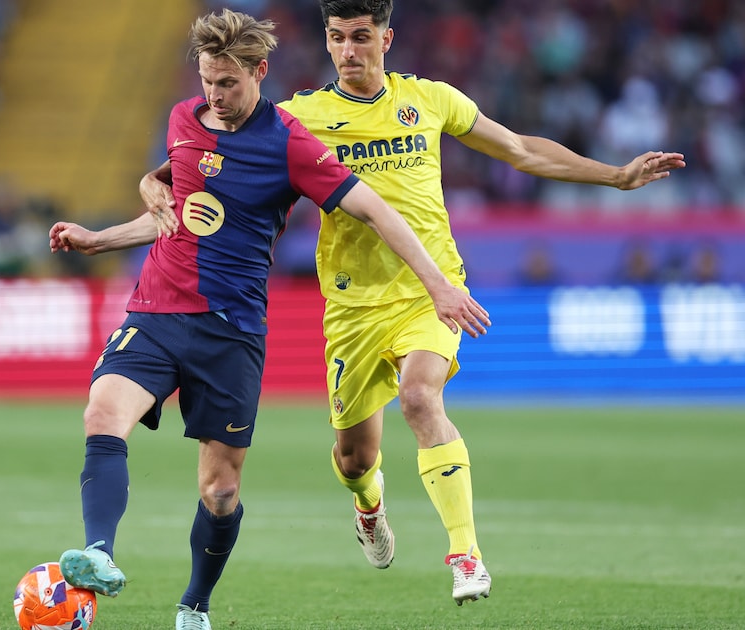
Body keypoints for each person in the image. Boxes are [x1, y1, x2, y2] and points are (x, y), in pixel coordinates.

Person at [139, 0, 686, 607]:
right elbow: (191, 169)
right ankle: (368, 504)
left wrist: (614, 175)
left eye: (360, 36)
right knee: (354, 459)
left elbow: (519, 149)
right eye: (337, 37)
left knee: (421, 397)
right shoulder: (296, 118)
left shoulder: (430, 99)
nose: (348, 50)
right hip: (352, 307)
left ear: (387, 38)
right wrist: (146, 185)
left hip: (432, 290)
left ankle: (465, 553)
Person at [49, 9, 488, 629]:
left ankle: (195, 605)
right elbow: (180, 210)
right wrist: (100, 239)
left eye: (227, 83)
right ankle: (98, 552)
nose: (214, 95)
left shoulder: (289, 142)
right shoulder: (183, 120)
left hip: (231, 331)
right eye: (206, 81)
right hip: (157, 309)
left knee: (220, 491)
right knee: (102, 413)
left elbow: (374, 209)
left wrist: (438, 284)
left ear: (259, 72)